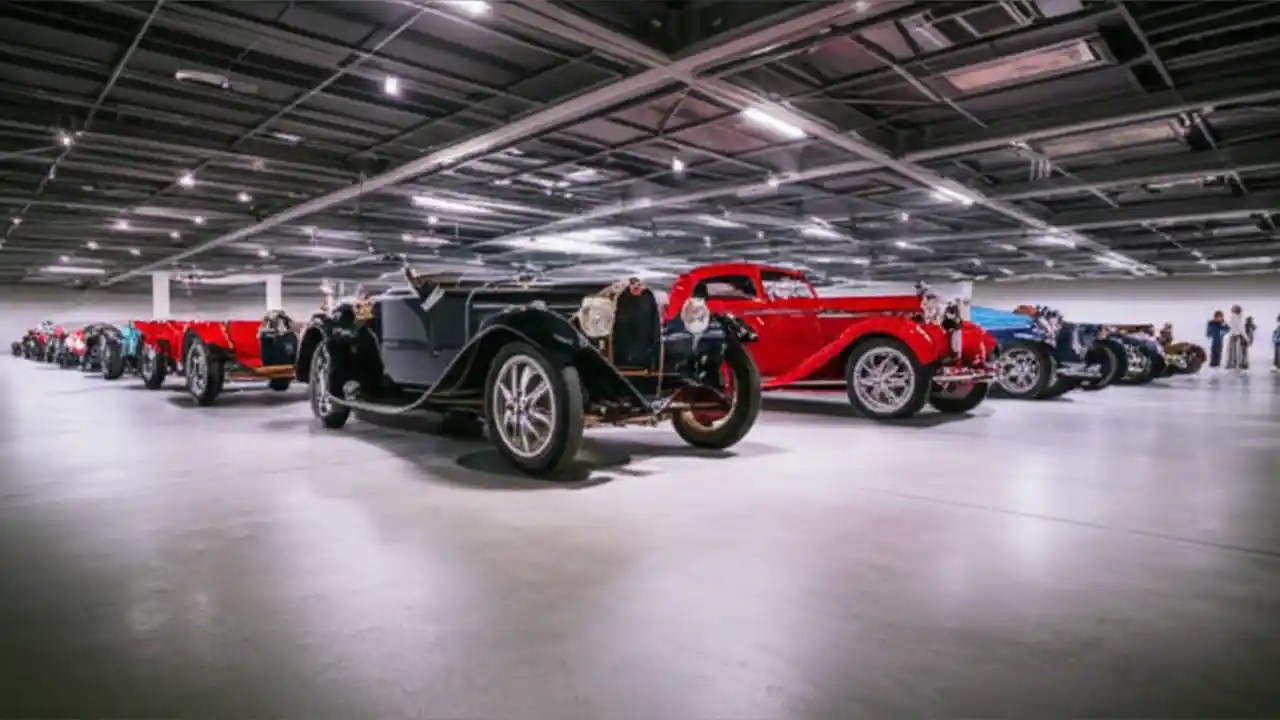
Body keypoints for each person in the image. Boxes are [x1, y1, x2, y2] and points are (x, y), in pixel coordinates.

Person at [1226, 305, 1248, 371]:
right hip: (1237, 335)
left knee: (1233, 350)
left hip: (1235, 335)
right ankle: (1238, 363)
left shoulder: (1235, 317)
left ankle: (1233, 363)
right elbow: (1240, 328)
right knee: (1237, 350)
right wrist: (1246, 338)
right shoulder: (1236, 317)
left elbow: (1233, 327)